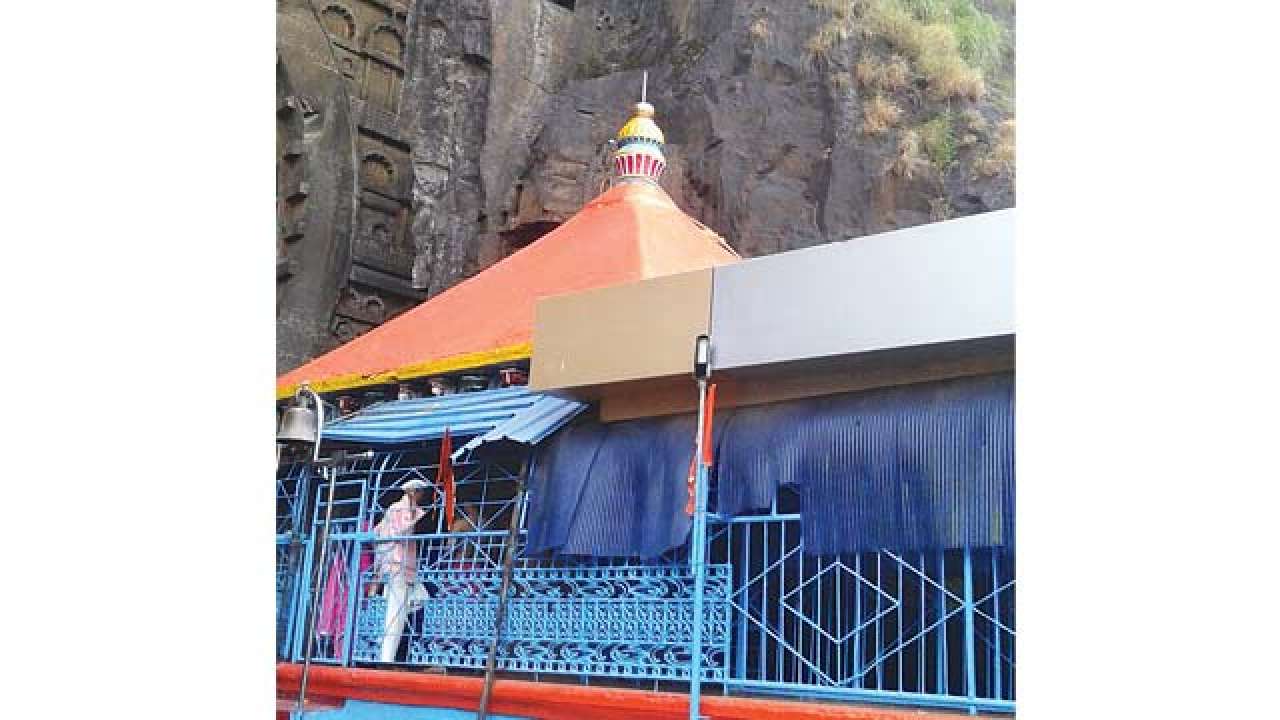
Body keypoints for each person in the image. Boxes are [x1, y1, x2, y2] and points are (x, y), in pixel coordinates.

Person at [373, 477, 430, 663]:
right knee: (395, 614)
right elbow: (398, 531)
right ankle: (386, 658)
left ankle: (390, 652)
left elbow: (378, 531)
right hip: (398, 564)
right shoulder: (400, 509)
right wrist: (415, 516)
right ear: (414, 492)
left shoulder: (399, 509)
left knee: (419, 598)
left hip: (403, 567)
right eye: (420, 492)